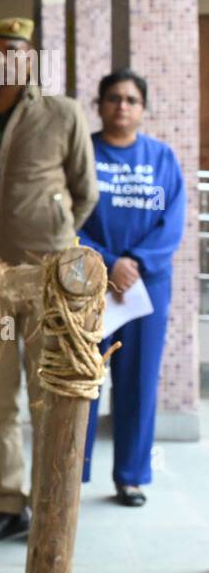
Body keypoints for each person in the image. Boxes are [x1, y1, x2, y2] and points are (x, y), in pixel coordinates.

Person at [0, 18, 97, 540]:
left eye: (17, 53)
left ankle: (52, 502)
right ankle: (10, 503)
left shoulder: (61, 113)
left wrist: (53, 226)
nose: (5, 62)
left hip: (47, 278)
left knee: (48, 392)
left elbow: (84, 190)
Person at [78, 70, 185, 506]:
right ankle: (73, 470)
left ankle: (131, 476)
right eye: (114, 99)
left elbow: (171, 223)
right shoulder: (82, 153)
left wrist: (135, 264)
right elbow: (66, 216)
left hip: (144, 289)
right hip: (88, 283)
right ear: (99, 105)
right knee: (82, 379)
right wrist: (107, 261)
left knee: (138, 381)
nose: (123, 106)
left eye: (132, 99)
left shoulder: (162, 159)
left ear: (143, 109)